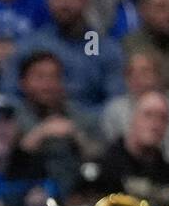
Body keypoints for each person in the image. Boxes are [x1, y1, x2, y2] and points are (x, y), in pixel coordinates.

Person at [3, 0, 126, 117]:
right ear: (48, 0)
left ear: (86, 0)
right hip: (36, 124)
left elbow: (116, 102)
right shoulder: (30, 45)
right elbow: (9, 94)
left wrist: (77, 120)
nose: (64, 3)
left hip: (90, 128)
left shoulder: (103, 47)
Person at [13, 51, 105, 197]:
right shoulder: (13, 117)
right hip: (27, 198)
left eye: (54, 77)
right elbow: (7, 165)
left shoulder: (79, 116)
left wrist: (76, 136)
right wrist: (40, 133)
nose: (47, 85)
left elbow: (100, 158)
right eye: (40, 77)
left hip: (78, 196)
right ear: (23, 83)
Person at [93, 91, 169, 206]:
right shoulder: (104, 168)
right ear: (132, 118)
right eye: (148, 115)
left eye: (162, 118)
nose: (155, 124)